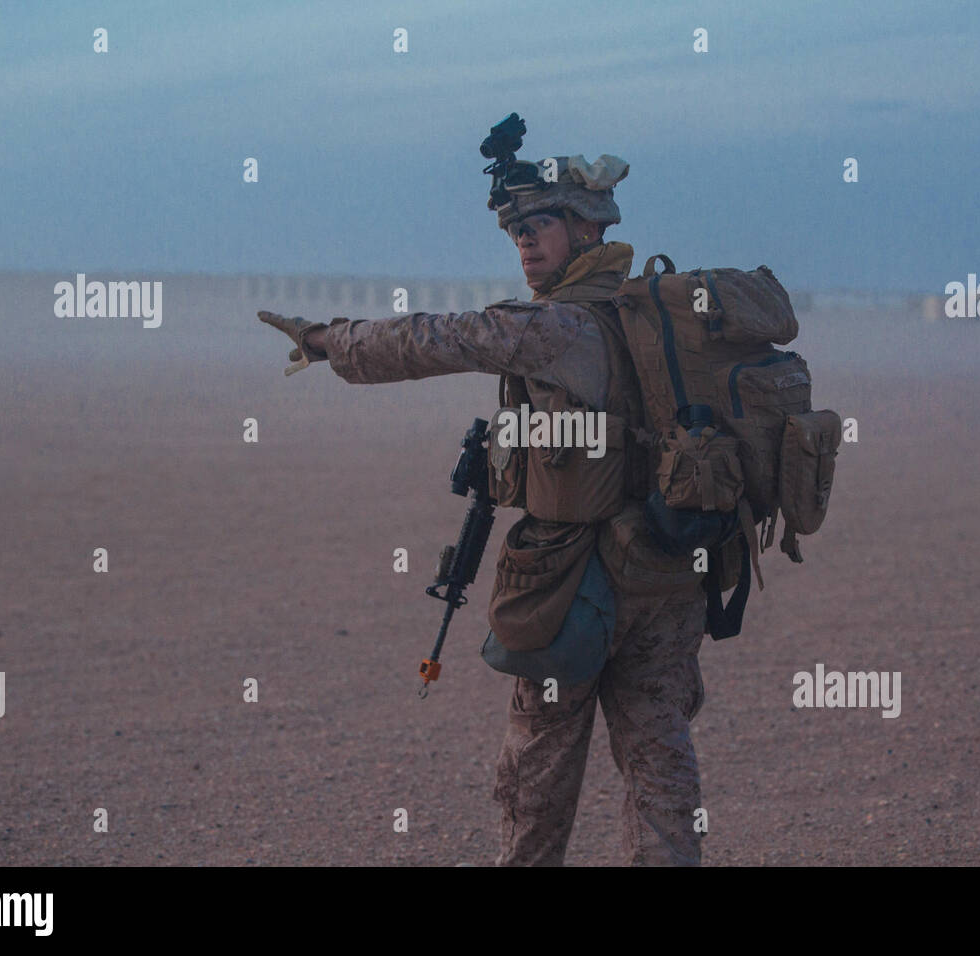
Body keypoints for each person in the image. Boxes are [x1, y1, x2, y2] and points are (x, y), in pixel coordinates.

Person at [259, 151, 710, 866]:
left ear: (588, 227)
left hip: (577, 584)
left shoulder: (556, 326)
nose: (525, 242)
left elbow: (432, 339)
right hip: (671, 569)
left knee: (535, 780)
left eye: (539, 225)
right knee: (662, 770)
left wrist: (325, 340)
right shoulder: (659, 317)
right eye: (515, 231)